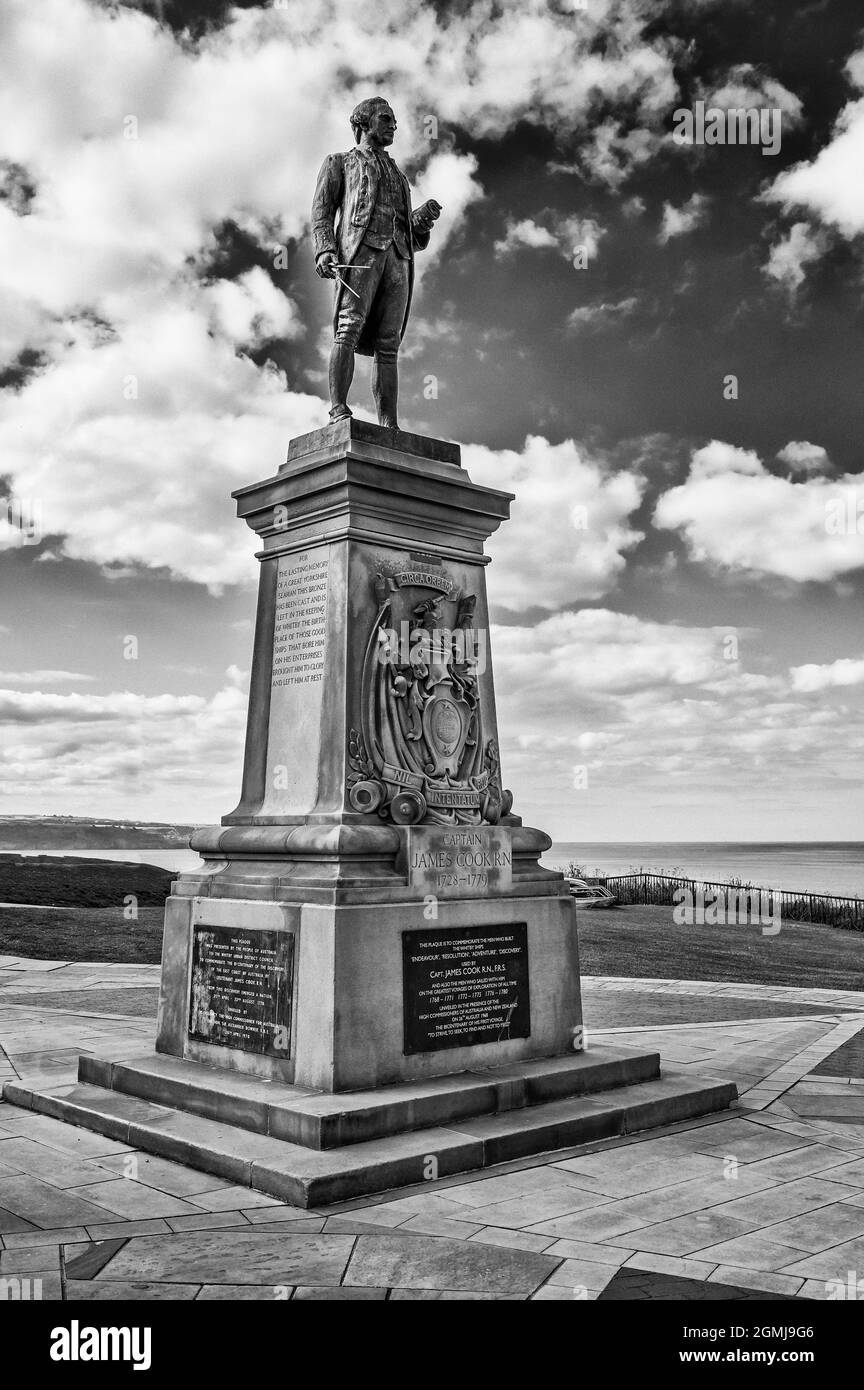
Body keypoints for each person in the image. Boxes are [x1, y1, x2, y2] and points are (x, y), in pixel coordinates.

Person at [311, 97, 442, 428]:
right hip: (361, 254)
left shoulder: (398, 174)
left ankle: (389, 424)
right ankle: (338, 409)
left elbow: (403, 223)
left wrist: (420, 222)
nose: (393, 126)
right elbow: (323, 210)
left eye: (394, 121)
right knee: (348, 327)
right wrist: (325, 249)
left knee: (389, 343)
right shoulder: (340, 162)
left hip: (398, 257)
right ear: (363, 122)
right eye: (386, 119)